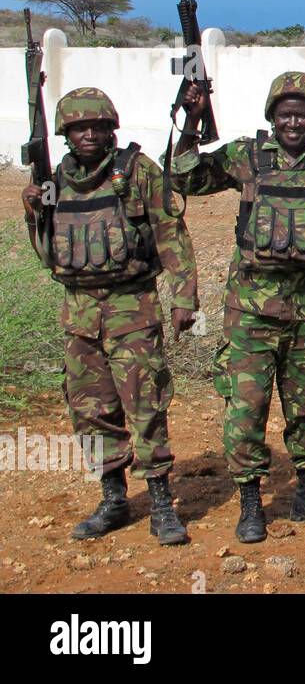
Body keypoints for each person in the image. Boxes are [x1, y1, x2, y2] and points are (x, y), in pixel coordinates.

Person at [173, 73, 305, 542]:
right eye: (285, 113)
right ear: (272, 116)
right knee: (246, 409)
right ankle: (251, 502)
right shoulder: (247, 155)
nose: (293, 122)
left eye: (303, 113)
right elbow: (186, 176)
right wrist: (192, 120)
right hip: (250, 312)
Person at [22, 88, 197, 545]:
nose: (90, 134)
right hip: (79, 315)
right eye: (80, 127)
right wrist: (32, 214)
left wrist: (183, 298)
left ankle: (160, 500)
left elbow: (170, 233)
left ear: (111, 129)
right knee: (91, 409)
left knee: (146, 406)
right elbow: (48, 255)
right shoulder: (55, 179)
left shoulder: (136, 172)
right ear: (65, 133)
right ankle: (113, 497)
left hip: (132, 310)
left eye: (99, 126)